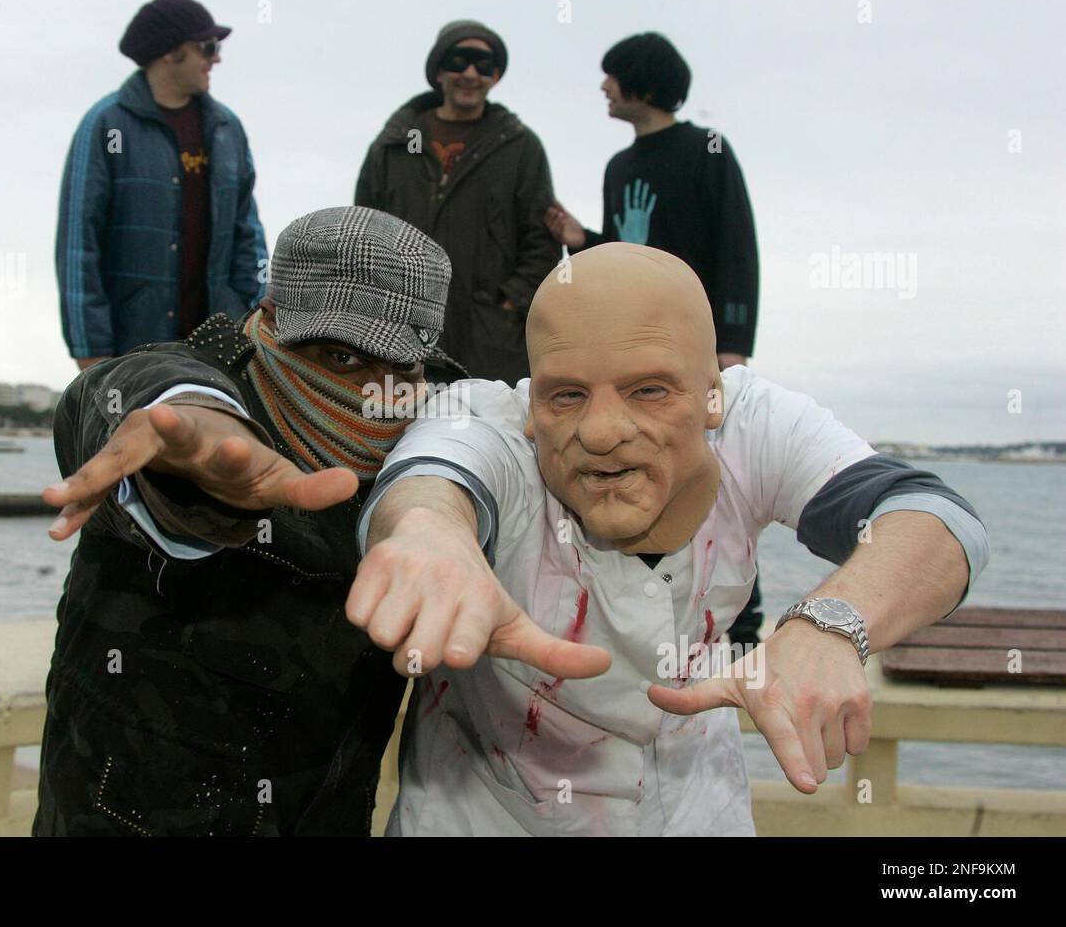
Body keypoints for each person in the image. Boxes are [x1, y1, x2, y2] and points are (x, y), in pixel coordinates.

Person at [346, 243, 988, 836]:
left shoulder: (753, 426)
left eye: (648, 390)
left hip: (693, 810)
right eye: (566, 396)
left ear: (713, 395)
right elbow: (433, 478)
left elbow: (933, 517)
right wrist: (432, 534)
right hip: (484, 814)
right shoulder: (494, 421)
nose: (600, 431)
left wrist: (830, 623)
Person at [32, 207, 587, 836]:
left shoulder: (434, 428)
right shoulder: (198, 386)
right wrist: (193, 444)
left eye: (396, 366)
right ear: (269, 320)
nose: (371, 388)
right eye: (338, 358)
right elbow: (130, 396)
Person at [546, 31, 765, 647]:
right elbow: (625, 258)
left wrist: (733, 342)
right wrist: (582, 239)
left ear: (642, 80)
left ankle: (740, 618)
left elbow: (736, 247)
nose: (603, 87)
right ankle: (644, 612)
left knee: (713, 469)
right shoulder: (620, 166)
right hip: (626, 349)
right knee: (638, 471)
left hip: (698, 347)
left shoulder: (707, 150)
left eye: (611, 75)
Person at [56, 0, 267, 372]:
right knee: (147, 432)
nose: (216, 58)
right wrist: (91, 351)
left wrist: (259, 323)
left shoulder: (226, 128)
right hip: (131, 346)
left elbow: (248, 236)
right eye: (207, 47)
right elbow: (78, 246)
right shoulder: (106, 126)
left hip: (221, 346)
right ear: (170, 52)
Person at [355, 20, 560, 387]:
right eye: (458, 61)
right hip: (400, 336)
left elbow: (541, 241)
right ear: (438, 71)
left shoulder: (520, 147)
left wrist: (507, 306)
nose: (470, 74)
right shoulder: (394, 145)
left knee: (491, 437)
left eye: (483, 65)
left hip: (490, 343)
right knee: (397, 435)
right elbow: (363, 230)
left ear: (495, 76)